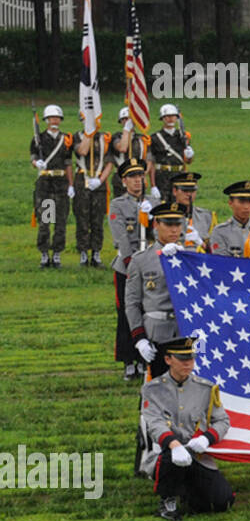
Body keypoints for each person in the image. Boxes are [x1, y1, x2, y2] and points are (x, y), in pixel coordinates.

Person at [141, 336, 235, 520]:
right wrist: (174, 445)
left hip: (196, 453)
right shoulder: (152, 390)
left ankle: (187, 491)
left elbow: (222, 421)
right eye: (183, 360)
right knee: (172, 457)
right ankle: (167, 501)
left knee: (221, 502)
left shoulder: (205, 388)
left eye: (191, 359)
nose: (188, 364)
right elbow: (154, 423)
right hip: (166, 453)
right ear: (168, 360)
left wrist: (207, 438)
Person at [125, 202, 191, 379]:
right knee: (157, 386)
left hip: (186, 329)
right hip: (157, 331)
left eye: (178, 224)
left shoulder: (191, 256)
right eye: (168, 224)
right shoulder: (141, 260)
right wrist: (139, 338)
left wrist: (186, 259)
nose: (174, 230)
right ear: (156, 224)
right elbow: (132, 303)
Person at [109, 158, 150, 379]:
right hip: (127, 268)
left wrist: (151, 215)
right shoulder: (117, 204)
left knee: (147, 312)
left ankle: (145, 359)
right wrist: (131, 264)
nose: (137, 181)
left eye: (140, 176)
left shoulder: (153, 200)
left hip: (150, 266)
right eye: (132, 177)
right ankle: (128, 361)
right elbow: (121, 237)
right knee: (126, 312)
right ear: (124, 181)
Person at [30, 103, 74, 268]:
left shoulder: (66, 140)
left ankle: (56, 254)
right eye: (51, 118)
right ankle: (44, 253)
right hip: (46, 184)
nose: (54, 120)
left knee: (61, 221)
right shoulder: (38, 138)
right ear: (46, 120)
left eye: (57, 117)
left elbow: (68, 163)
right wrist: (37, 163)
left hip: (61, 183)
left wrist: (71, 184)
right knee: (46, 220)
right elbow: (33, 157)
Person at [70, 116, 112, 267]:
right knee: (82, 218)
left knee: (97, 219)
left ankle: (96, 253)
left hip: (98, 182)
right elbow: (82, 151)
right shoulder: (76, 137)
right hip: (82, 181)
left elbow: (109, 163)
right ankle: (83, 252)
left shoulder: (105, 139)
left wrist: (101, 180)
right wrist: (88, 133)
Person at [209, 180, 250, 257]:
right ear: (230, 203)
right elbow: (220, 263)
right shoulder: (220, 231)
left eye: (249, 201)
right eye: (242, 202)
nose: (246, 207)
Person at [147, 103, 192, 204]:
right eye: (167, 116)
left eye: (173, 116)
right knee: (163, 206)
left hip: (179, 175)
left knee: (180, 205)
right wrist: (153, 185)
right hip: (162, 176)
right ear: (162, 118)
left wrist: (190, 155)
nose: (170, 119)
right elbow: (152, 163)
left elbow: (188, 162)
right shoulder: (155, 138)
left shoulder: (183, 136)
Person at [109, 107, 150, 198]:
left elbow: (148, 159)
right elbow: (122, 148)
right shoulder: (116, 137)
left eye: (130, 119)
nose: (128, 121)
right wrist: (126, 130)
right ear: (121, 121)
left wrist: (144, 175)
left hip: (138, 177)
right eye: (125, 119)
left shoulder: (142, 138)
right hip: (121, 177)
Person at [170, 172, 213, 252]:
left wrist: (201, 243)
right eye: (185, 190)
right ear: (175, 191)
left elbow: (215, 249)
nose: (189, 194)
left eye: (192, 190)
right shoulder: (165, 216)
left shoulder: (206, 216)